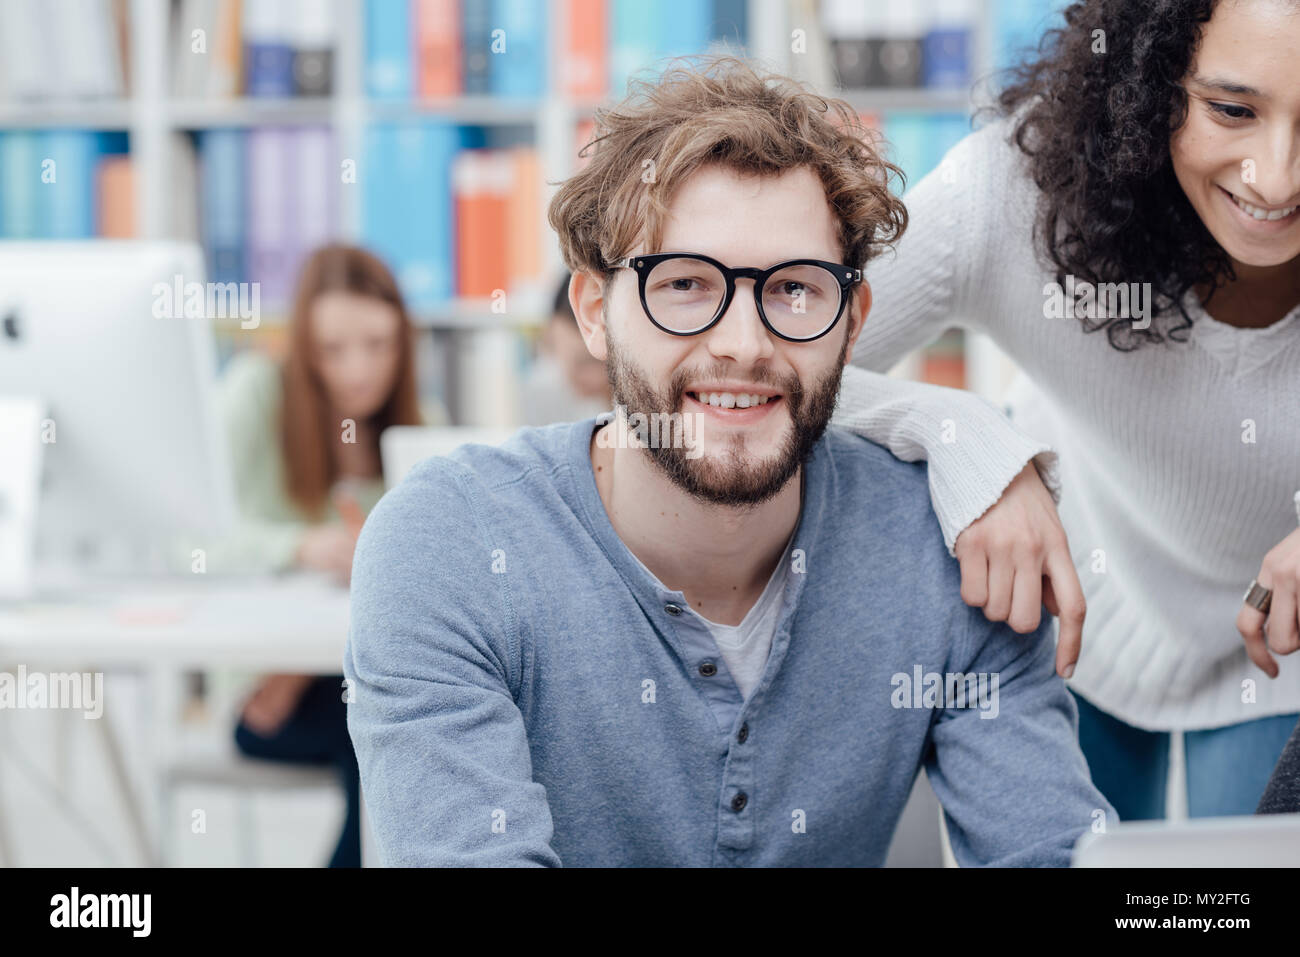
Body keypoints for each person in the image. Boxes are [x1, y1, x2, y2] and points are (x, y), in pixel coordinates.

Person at [344, 57, 1115, 866]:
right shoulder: (447, 547)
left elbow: (1055, 855)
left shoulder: (954, 547)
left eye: (793, 290)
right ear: (594, 313)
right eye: (682, 283)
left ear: (852, 323)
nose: (743, 344)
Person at [829, 0, 1300, 820]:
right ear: (1149, 82)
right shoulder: (1016, 196)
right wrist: (969, 439)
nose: (1278, 175)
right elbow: (775, 371)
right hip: (1063, 608)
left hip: (1278, 650)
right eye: (1232, 109)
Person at [215, 243, 435, 867]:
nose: (359, 368)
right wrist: (300, 546)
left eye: (379, 344)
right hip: (266, 689)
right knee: (390, 738)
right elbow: (190, 538)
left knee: (414, 727)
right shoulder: (258, 394)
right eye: (334, 349)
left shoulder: (422, 428)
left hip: (377, 676)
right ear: (304, 349)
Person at [516, 272, 613, 425]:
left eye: (603, 363)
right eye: (583, 362)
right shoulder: (541, 391)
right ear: (550, 336)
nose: (596, 377)